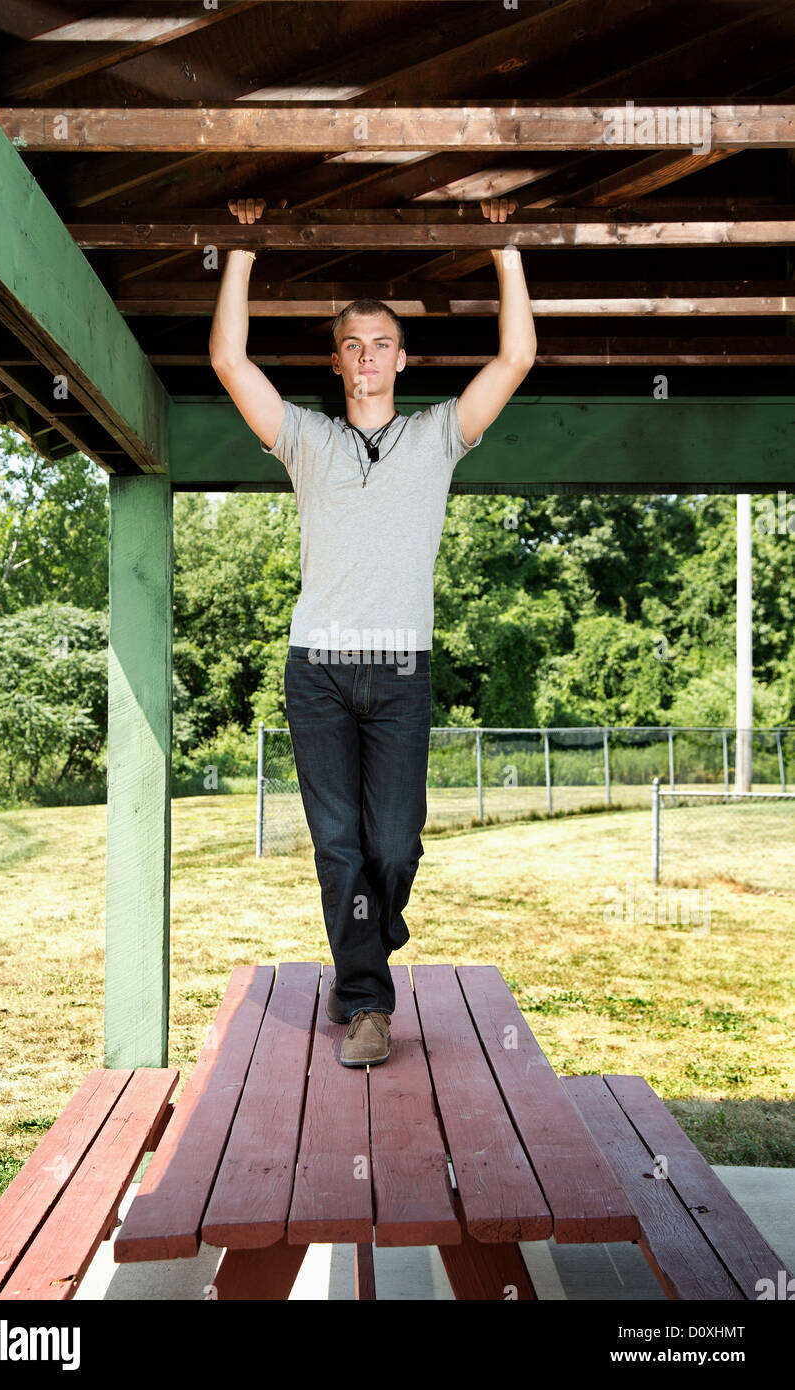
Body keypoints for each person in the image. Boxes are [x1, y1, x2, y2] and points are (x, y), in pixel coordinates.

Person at [210, 195, 536, 1066]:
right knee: (339, 844)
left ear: (402, 357)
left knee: (391, 844)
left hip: (399, 670)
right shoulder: (306, 440)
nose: (366, 357)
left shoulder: (438, 438)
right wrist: (242, 249)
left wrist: (503, 248)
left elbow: (516, 356)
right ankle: (367, 1003)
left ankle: (367, 936)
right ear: (338, 360)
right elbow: (230, 360)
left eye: (380, 344)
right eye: (351, 345)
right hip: (316, 669)